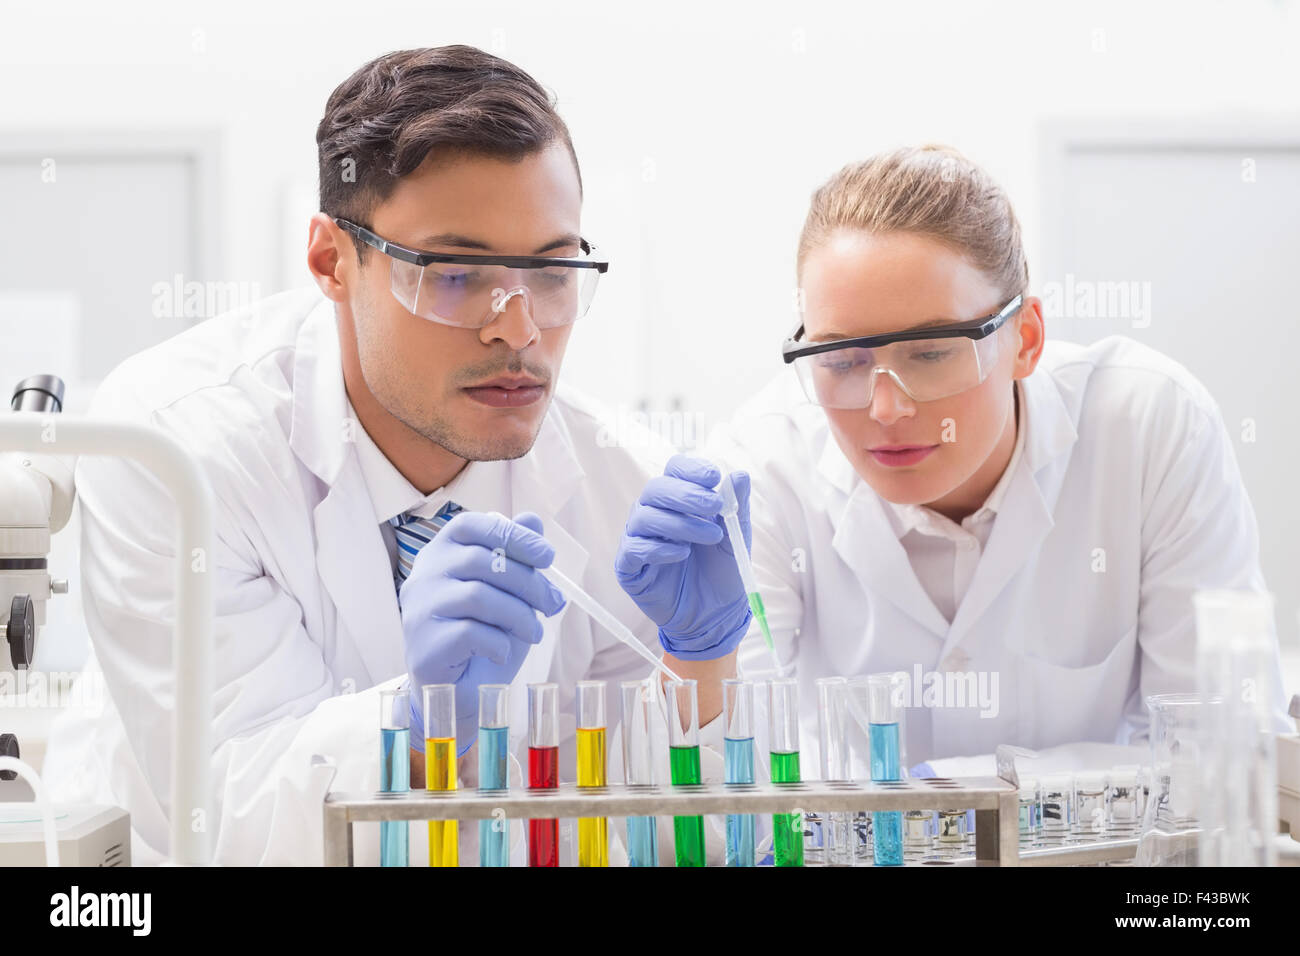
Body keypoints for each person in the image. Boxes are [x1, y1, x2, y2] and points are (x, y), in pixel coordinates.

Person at [43, 45, 672, 866]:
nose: (518, 329)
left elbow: (649, 823)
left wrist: (707, 664)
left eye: (552, 273)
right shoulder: (178, 445)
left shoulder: (620, 479)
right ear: (332, 262)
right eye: (454, 275)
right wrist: (412, 722)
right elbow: (228, 804)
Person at [615, 145, 1291, 780]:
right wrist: (697, 663)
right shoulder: (763, 468)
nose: (883, 407)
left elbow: (1225, 754)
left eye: (931, 352)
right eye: (843, 360)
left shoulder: (1149, 427)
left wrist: (960, 798)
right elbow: (717, 826)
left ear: (1024, 339)